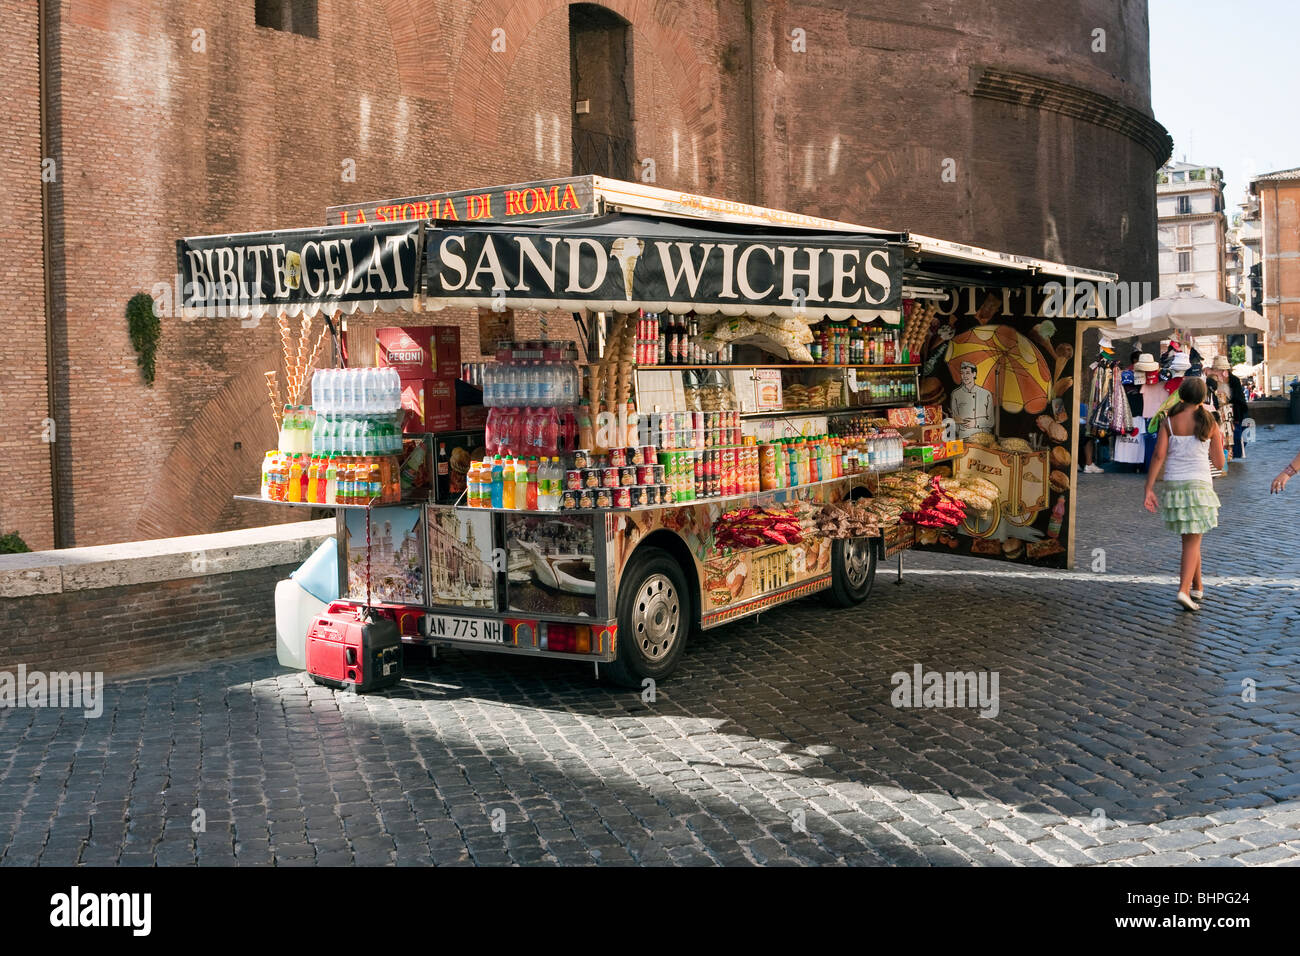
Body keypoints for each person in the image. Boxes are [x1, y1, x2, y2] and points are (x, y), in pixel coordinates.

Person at [1143, 377, 1225, 612]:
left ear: (1180, 395)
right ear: (1202, 398)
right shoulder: (1209, 422)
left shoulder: (1168, 421)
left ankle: (1198, 585)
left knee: (1190, 536)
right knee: (1192, 540)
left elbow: (1158, 456)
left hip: (1174, 483)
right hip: (1198, 483)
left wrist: (1148, 488)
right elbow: (1219, 463)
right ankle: (1183, 590)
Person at [951, 361, 994, 438]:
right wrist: (960, 433)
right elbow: (955, 419)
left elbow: (991, 422)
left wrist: (975, 423)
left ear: (974, 374)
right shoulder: (956, 394)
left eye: (967, 373)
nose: (964, 376)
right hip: (964, 437)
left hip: (983, 437)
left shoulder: (986, 394)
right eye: (962, 373)